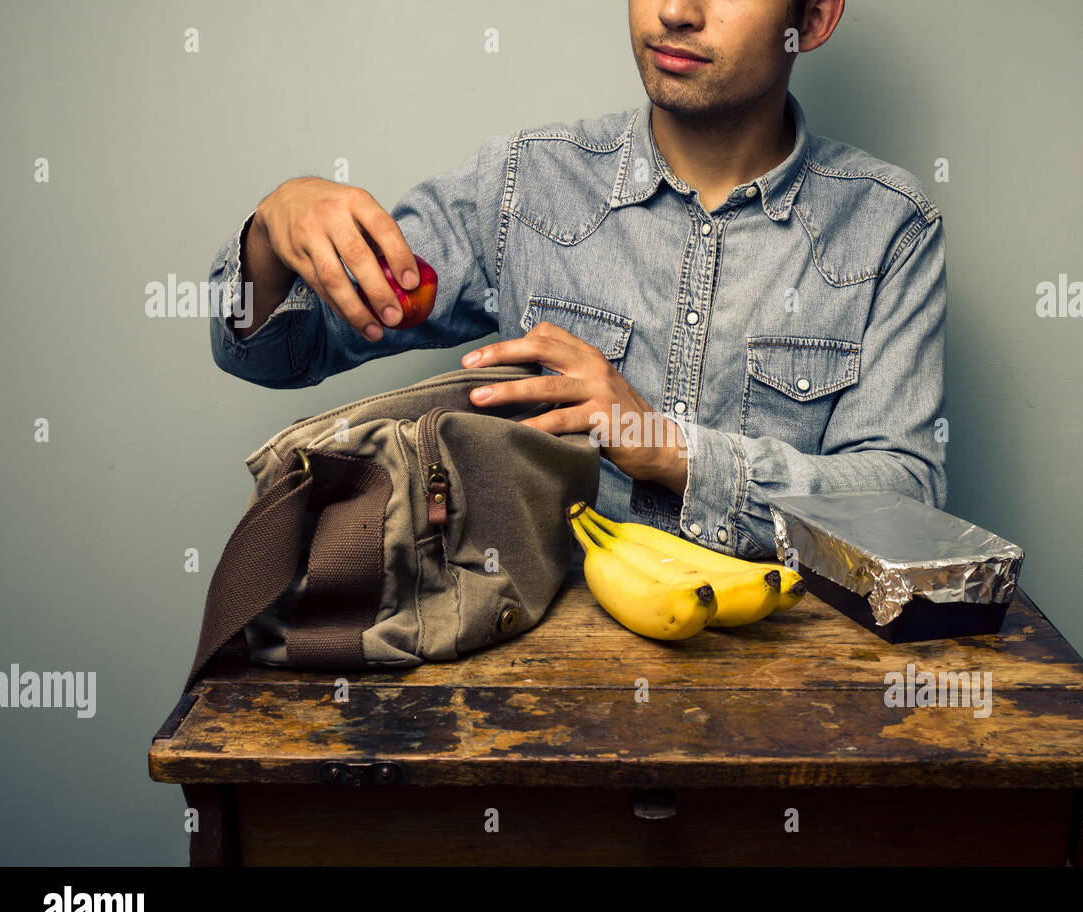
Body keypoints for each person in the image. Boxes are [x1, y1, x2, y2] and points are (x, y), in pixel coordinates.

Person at [209, 0, 946, 558]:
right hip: (529, 685)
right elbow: (276, 353)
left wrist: (669, 448)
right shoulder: (521, 186)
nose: (675, 13)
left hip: (785, 698)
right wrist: (272, 232)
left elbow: (907, 507)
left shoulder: (889, 226)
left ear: (813, 17)